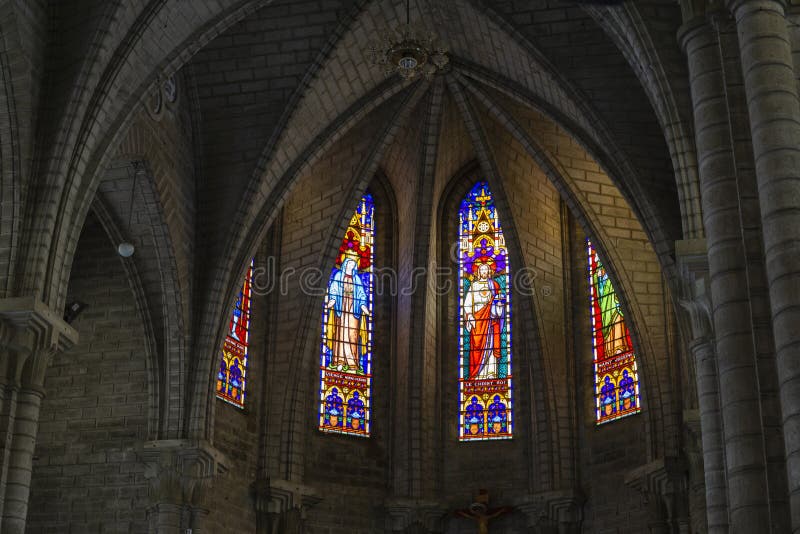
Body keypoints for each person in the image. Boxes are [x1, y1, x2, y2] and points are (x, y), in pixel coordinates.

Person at [325, 255, 370, 373]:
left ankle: (353, 363)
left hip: (353, 310)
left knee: (353, 335)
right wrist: (333, 300)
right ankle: (339, 361)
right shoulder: (338, 275)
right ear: (345, 264)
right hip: (341, 308)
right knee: (340, 334)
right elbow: (334, 289)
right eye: (349, 263)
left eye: (353, 264)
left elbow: (361, 294)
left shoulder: (357, 279)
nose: (352, 265)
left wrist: (363, 306)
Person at [463, 260, 504, 380]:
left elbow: (498, 301)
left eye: (486, 270)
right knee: (477, 348)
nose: (484, 272)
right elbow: (467, 303)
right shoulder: (473, 286)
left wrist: (499, 305)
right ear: (479, 272)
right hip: (477, 321)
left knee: (490, 348)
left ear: (489, 272)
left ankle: (491, 374)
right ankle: (477, 376)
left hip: (490, 320)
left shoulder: (494, 285)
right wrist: (470, 315)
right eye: (482, 270)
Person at [593, 260, 629, 357]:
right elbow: (599, 289)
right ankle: (609, 352)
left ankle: (619, 348)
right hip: (606, 310)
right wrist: (598, 277)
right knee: (608, 333)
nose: (600, 271)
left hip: (615, 307)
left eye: (601, 268)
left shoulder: (611, 278)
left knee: (617, 325)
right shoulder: (599, 278)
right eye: (599, 269)